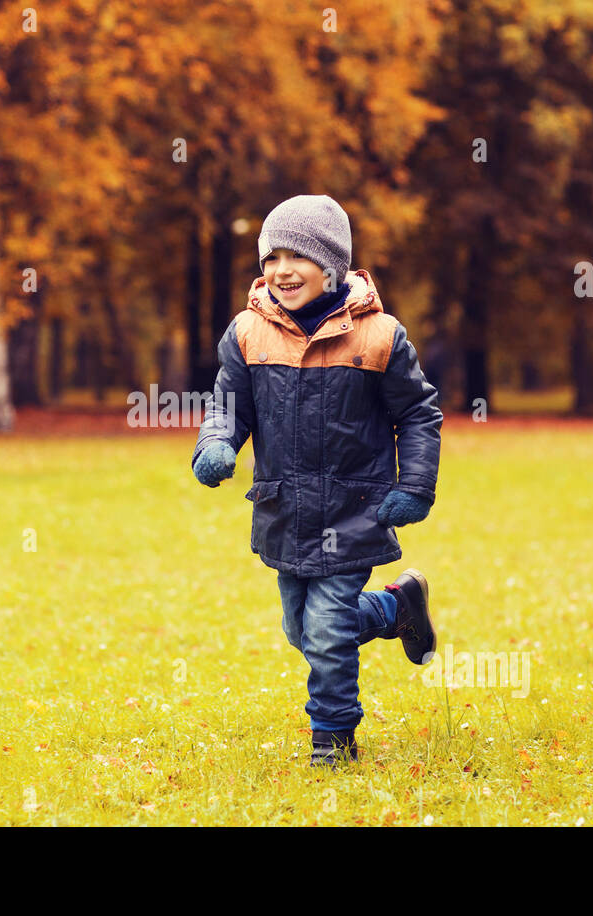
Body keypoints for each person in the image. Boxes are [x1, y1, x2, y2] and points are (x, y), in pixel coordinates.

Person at [191, 194, 443, 767]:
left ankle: (333, 743)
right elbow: (229, 405)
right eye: (270, 257)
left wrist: (415, 486)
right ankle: (394, 610)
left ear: (331, 263)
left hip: (357, 508)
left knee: (327, 633)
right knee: (301, 630)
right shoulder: (249, 333)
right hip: (286, 509)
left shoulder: (378, 336)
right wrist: (216, 443)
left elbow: (418, 413)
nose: (281, 270)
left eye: (297, 256)